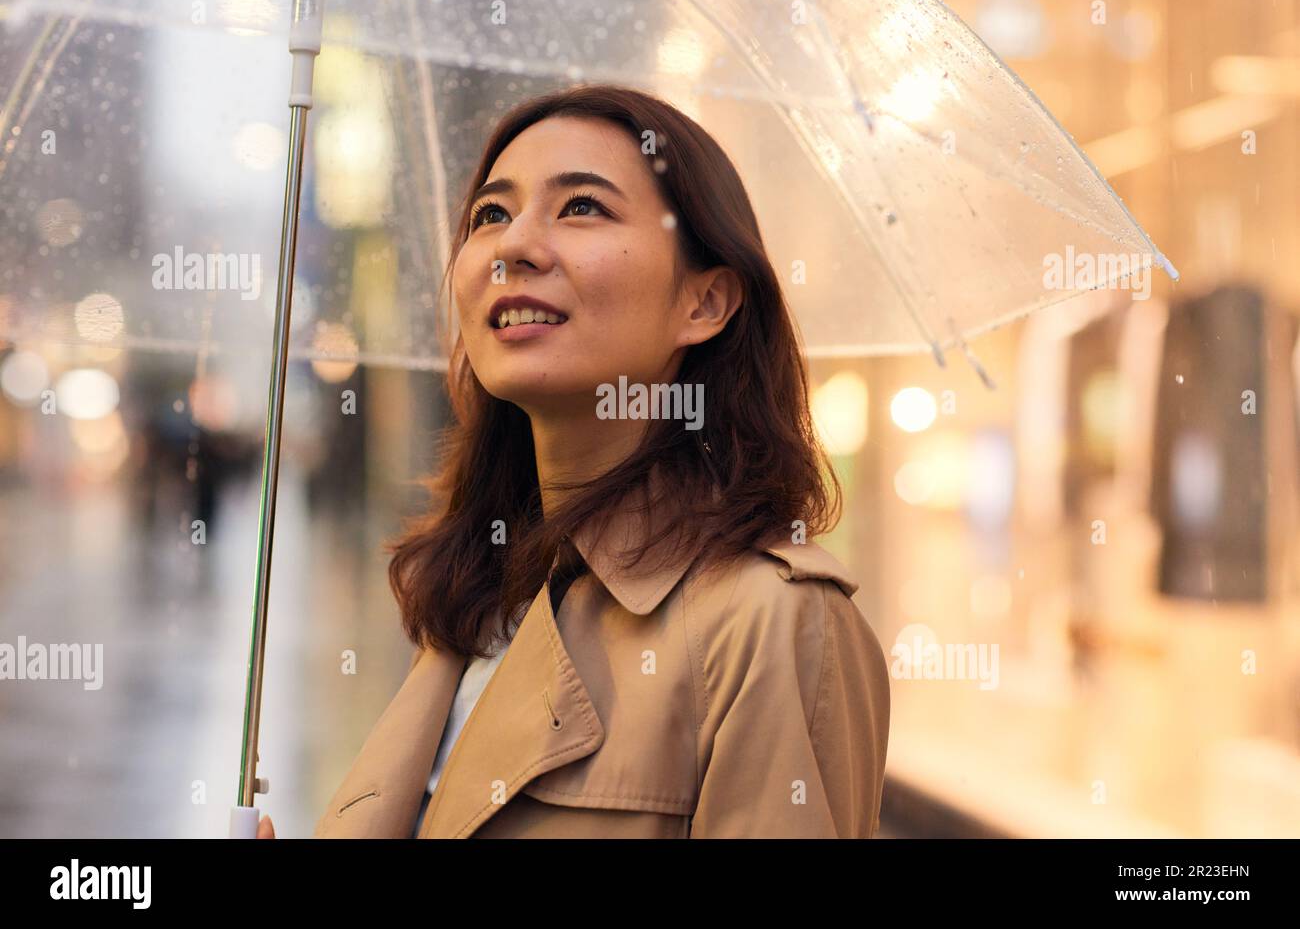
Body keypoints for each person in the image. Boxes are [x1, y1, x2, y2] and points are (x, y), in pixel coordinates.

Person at [261, 83, 890, 839]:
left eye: (582, 206)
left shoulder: (775, 622)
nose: (513, 247)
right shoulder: (479, 598)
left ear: (707, 301)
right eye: (491, 214)